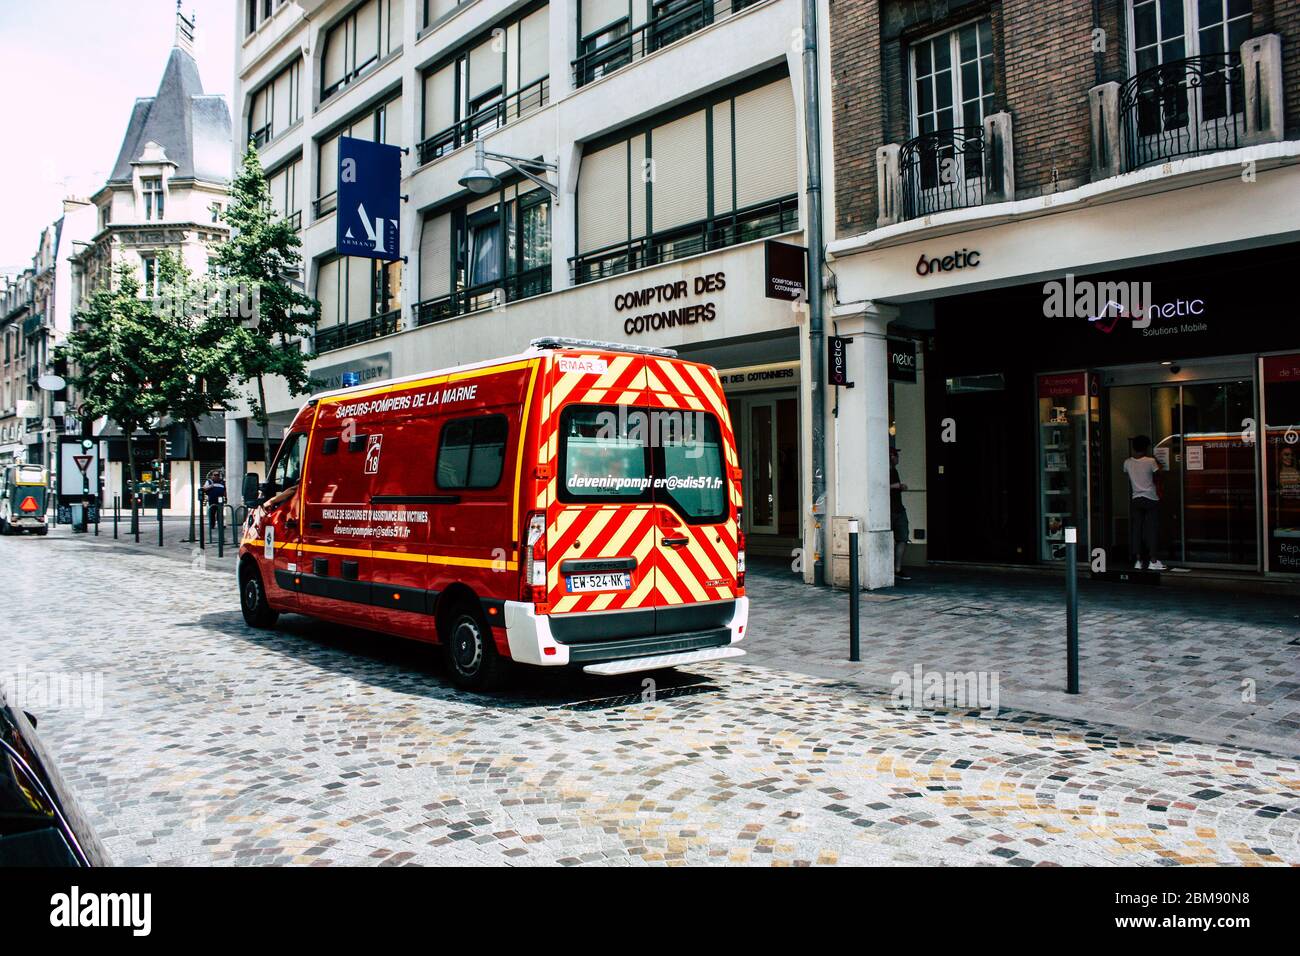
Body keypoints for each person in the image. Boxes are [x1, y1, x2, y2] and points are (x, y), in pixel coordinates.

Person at [1123, 436, 1165, 571]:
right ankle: (1153, 560)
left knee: (1137, 529)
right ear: (1146, 447)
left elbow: (1127, 476)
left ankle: (1138, 560)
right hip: (1151, 498)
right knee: (1152, 528)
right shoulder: (1151, 461)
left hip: (1136, 498)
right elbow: (1159, 475)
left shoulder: (1127, 463)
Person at [890, 447, 910, 581]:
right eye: (896, 455)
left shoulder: (894, 471)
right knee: (893, 538)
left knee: (902, 538)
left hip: (898, 508)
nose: (898, 458)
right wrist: (896, 486)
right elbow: (879, 486)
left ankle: (897, 568)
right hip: (889, 510)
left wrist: (899, 487)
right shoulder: (882, 470)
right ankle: (890, 568)